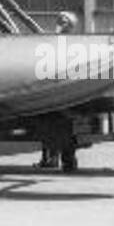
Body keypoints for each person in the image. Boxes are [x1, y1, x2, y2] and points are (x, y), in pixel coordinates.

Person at [37, 11, 80, 169]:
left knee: (65, 128)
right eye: (59, 20)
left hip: (66, 93)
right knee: (48, 127)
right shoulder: (52, 40)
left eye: (64, 21)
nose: (60, 22)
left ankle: (68, 160)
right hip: (51, 90)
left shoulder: (73, 43)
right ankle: (50, 158)